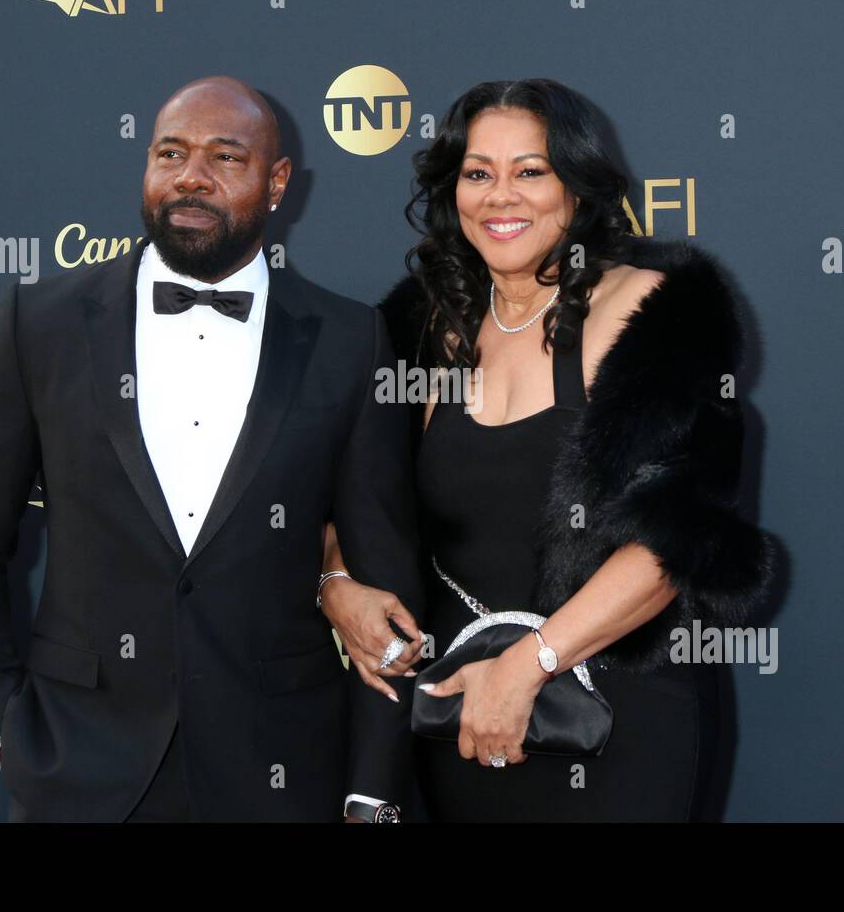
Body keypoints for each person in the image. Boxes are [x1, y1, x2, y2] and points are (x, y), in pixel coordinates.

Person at [0, 76, 423, 822]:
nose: (192, 175)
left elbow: (386, 576)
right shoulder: (43, 321)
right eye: (171, 152)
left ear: (277, 182)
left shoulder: (351, 341)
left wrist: (370, 788)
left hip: (282, 773)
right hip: (79, 770)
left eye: (226, 156)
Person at [319, 78, 777, 821]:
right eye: (479, 173)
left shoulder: (656, 311)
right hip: (457, 712)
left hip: (618, 714)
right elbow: (351, 500)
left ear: (577, 184)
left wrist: (527, 667)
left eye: (531, 171)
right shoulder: (413, 328)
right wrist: (336, 582)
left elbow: (672, 543)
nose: (503, 197)